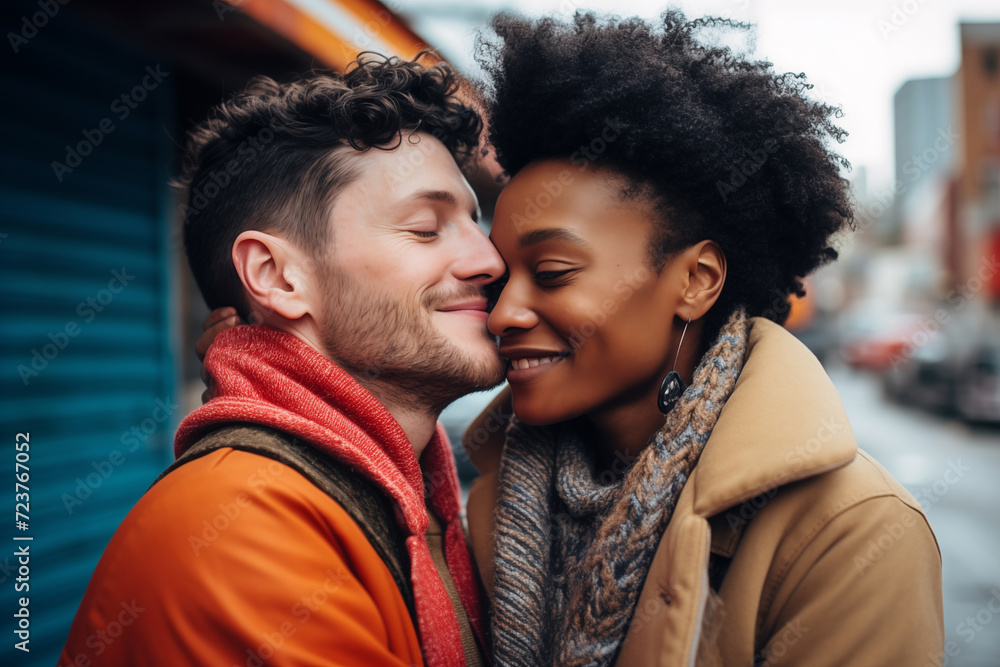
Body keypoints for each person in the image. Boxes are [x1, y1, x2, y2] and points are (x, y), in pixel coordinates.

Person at [457, 10, 944, 667]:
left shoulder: (849, 532)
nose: (503, 313)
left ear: (696, 280)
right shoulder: (490, 502)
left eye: (551, 273)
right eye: (501, 275)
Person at [59, 55, 502, 667]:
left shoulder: (404, 501)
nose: (490, 262)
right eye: (426, 229)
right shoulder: (239, 524)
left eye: (475, 223)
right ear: (276, 276)